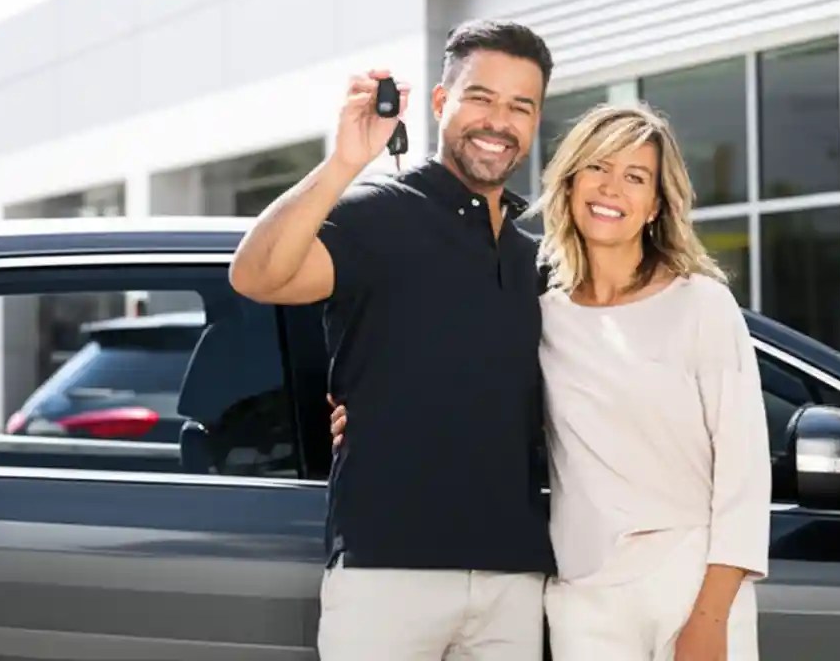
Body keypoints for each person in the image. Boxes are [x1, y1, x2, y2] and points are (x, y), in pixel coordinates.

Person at [331, 103, 773, 660]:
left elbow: (744, 475)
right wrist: (373, 404)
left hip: (688, 584)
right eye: (597, 168)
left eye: (635, 177)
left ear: (656, 205)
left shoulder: (701, 305)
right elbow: (464, 380)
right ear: (569, 181)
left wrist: (710, 618)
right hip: (582, 597)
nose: (611, 189)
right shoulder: (540, 309)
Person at [230, 19, 557, 660]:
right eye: (481, 98)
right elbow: (255, 274)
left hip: (513, 579)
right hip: (387, 572)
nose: (499, 121)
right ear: (441, 103)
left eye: (520, 105)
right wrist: (345, 160)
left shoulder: (540, 259)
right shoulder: (375, 215)